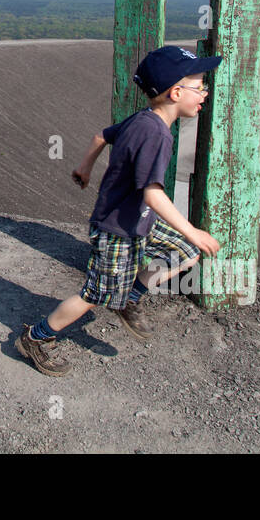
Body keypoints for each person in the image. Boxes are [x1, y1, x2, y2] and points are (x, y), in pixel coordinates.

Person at [16, 45, 224, 377]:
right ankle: (37, 337)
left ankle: (129, 296)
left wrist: (85, 167)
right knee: (94, 295)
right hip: (117, 230)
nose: (205, 92)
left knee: (185, 253)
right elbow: (153, 194)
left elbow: (102, 135)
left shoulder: (144, 119)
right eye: (200, 86)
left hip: (137, 220)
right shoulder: (155, 134)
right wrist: (193, 230)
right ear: (175, 92)